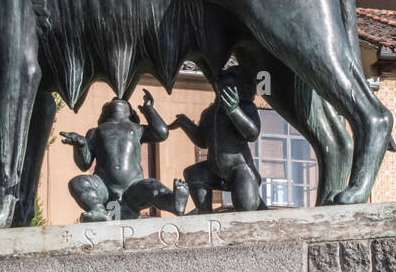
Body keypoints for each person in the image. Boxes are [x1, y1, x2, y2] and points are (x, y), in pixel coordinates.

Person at [62, 91, 189, 222]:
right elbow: (84, 164)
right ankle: (97, 209)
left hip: (133, 188)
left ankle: (171, 202)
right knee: (78, 182)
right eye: (112, 100)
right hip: (104, 188)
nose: (117, 99)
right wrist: (81, 145)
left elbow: (161, 133)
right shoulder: (95, 132)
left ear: (130, 111)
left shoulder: (137, 129)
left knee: (152, 186)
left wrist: (149, 109)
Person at [169, 67, 265, 213]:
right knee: (193, 172)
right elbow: (202, 141)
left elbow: (252, 133)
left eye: (227, 90)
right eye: (220, 90)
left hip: (240, 169)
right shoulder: (209, 113)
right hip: (215, 170)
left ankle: (257, 203)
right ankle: (204, 213)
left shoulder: (246, 107)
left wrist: (234, 110)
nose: (222, 94)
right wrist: (185, 123)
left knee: (246, 210)